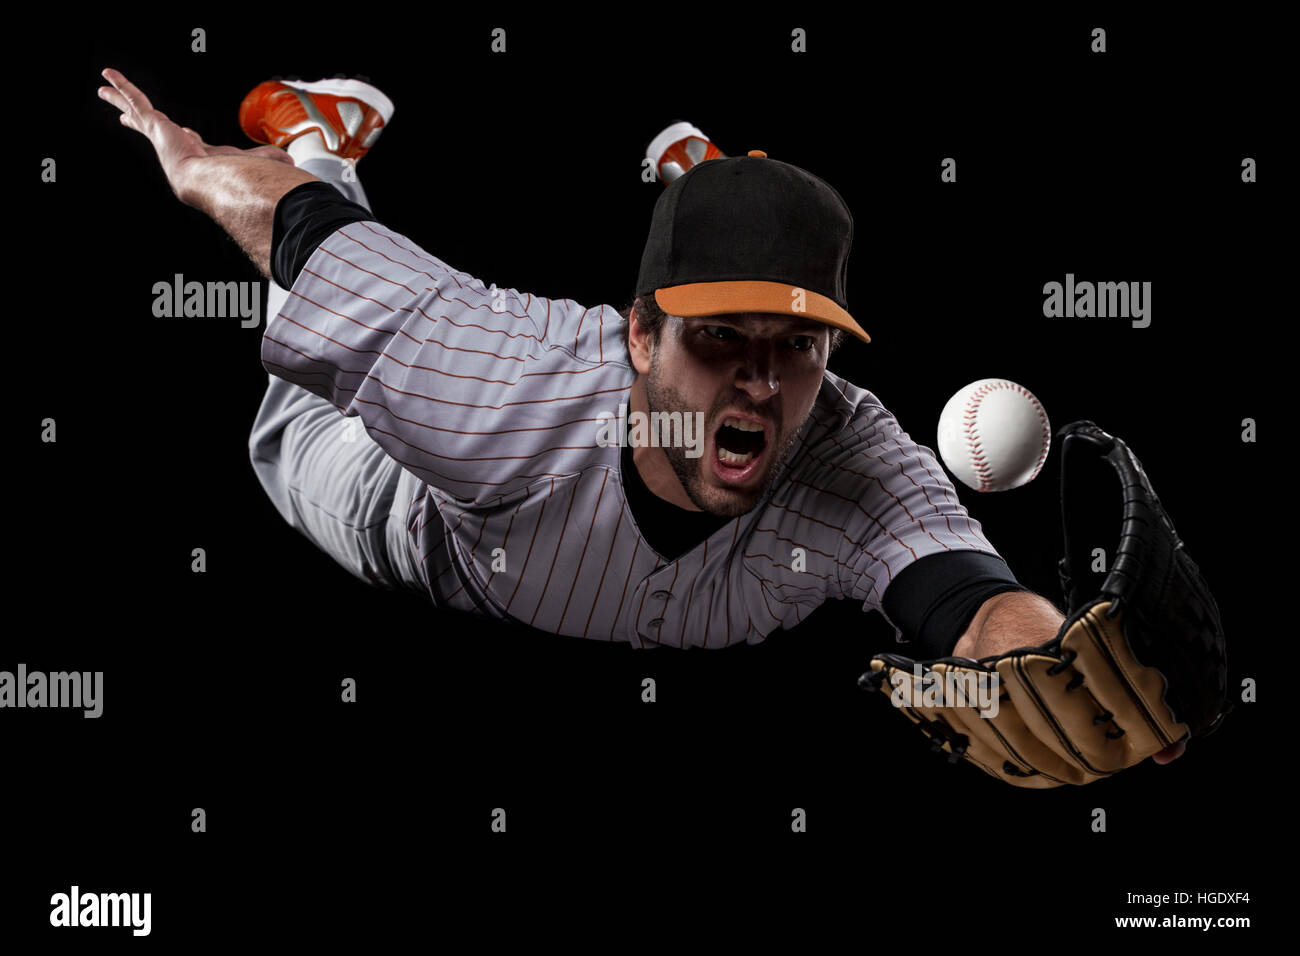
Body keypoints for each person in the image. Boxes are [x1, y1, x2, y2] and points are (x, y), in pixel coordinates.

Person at [96, 67, 1189, 767]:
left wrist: (1041, 661)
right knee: (293, 415)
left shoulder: (853, 452)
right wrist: (200, 168)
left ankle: (710, 193)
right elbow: (320, 243)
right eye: (718, 336)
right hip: (411, 517)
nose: (762, 381)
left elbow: (967, 594)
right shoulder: (505, 391)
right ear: (636, 335)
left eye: (796, 343)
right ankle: (319, 123)